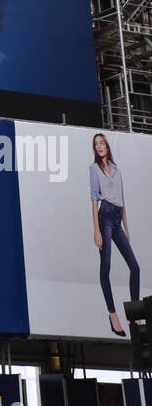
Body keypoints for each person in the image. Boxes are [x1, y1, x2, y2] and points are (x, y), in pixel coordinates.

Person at [90, 133, 141, 337]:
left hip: (118, 219)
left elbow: (123, 200)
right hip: (104, 218)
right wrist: (96, 230)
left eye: (102, 143)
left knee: (134, 267)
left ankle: (136, 314)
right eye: (96, 144)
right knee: (106, 266)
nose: (100, 146)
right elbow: (94, 200)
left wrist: (127, 228)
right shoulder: (94, 169)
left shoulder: (117, 170)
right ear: (95, 149)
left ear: (107, 146)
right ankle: (112, 315)